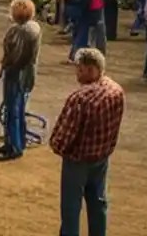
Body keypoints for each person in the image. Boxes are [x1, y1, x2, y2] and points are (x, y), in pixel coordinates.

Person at [50, 48, 124, 236]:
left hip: (78, 160)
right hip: (101, 156)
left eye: (80, 69)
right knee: (98, 202)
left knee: (71, 209)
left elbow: (65, 135)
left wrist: (57, 146)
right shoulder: (116, 90)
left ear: (91, 70)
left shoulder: (80, 99)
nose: (77, 73)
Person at [0, 0, 41, 161]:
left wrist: (6, 64)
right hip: (27, 74)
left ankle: (13, 146)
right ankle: (18, 141)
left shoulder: (18, 31)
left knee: (12, 110)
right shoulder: (34, 28)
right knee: (19, 109)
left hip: (16, 74)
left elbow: (15, 54)